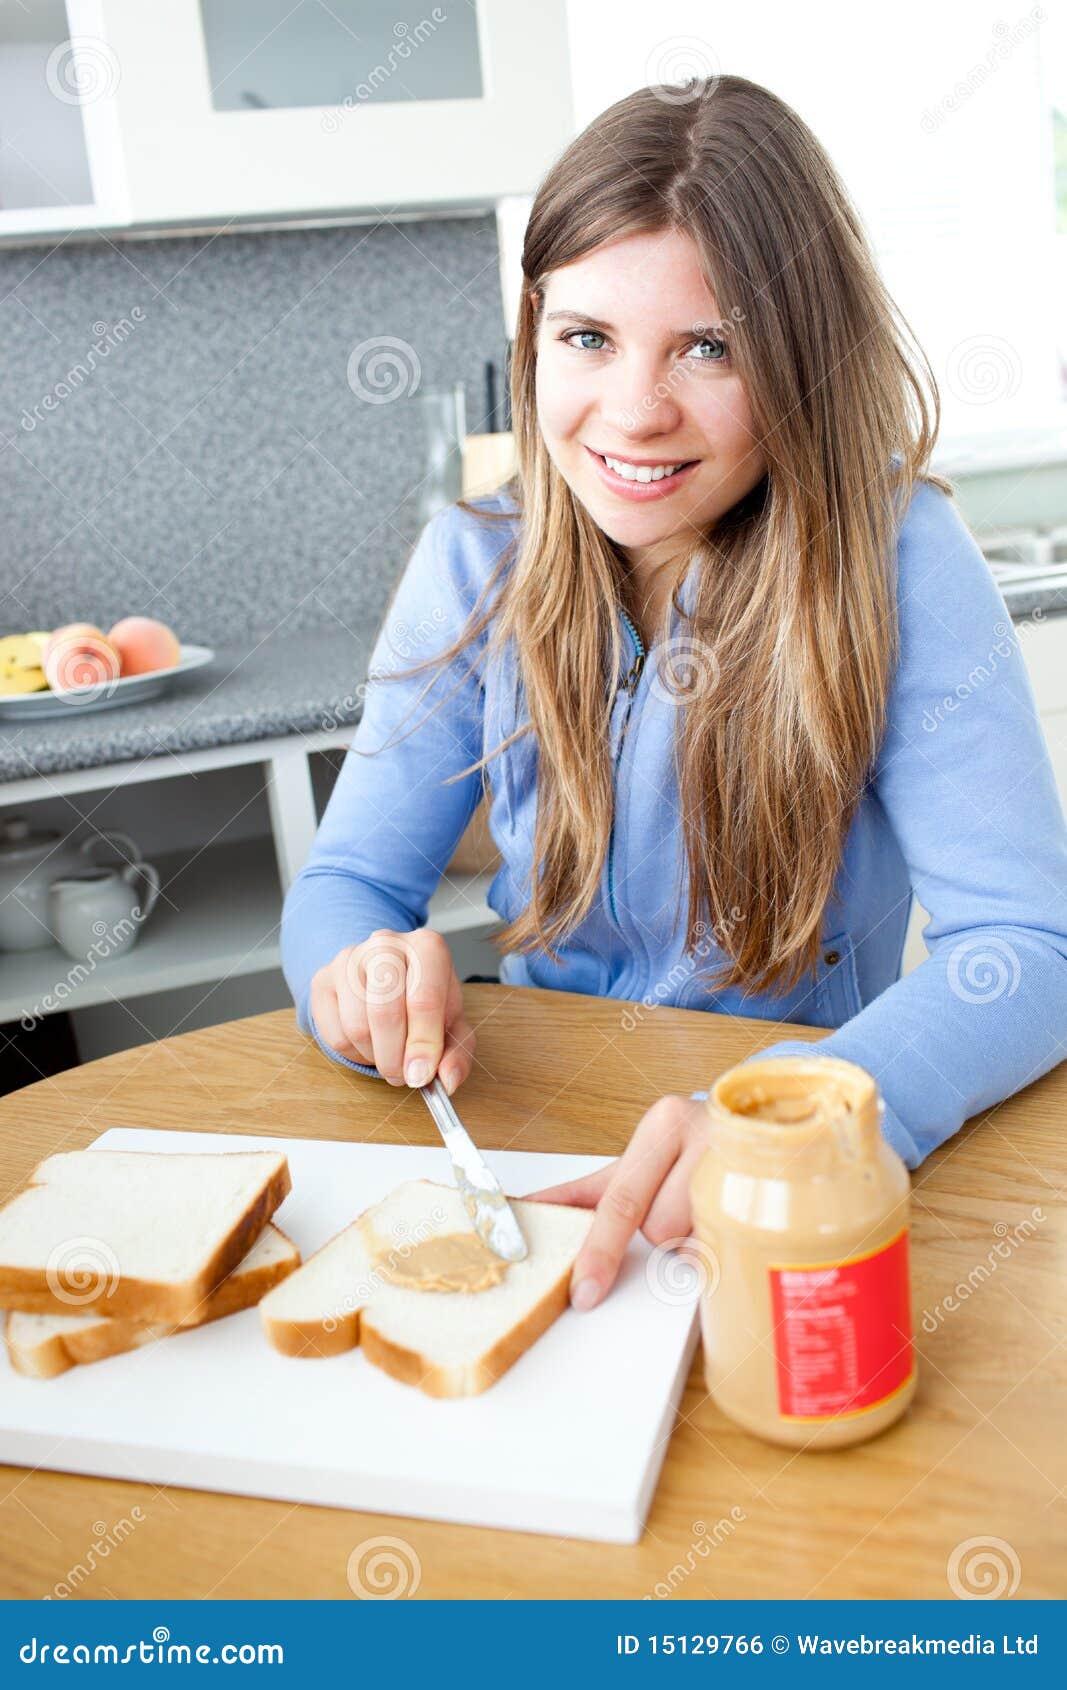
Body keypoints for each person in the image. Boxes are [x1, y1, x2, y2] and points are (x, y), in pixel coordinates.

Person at [280, 74, 1067, 1315]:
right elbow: (344, 891)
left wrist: (798, 1122)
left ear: (802, 355)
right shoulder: (472, 559)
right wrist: (356, 981)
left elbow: (1029, 946)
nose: (633, 413)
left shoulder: (896, 558)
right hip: (525, 1141)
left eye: (710, 348)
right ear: (532, 328)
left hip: (784, 1157)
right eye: (586, 338)